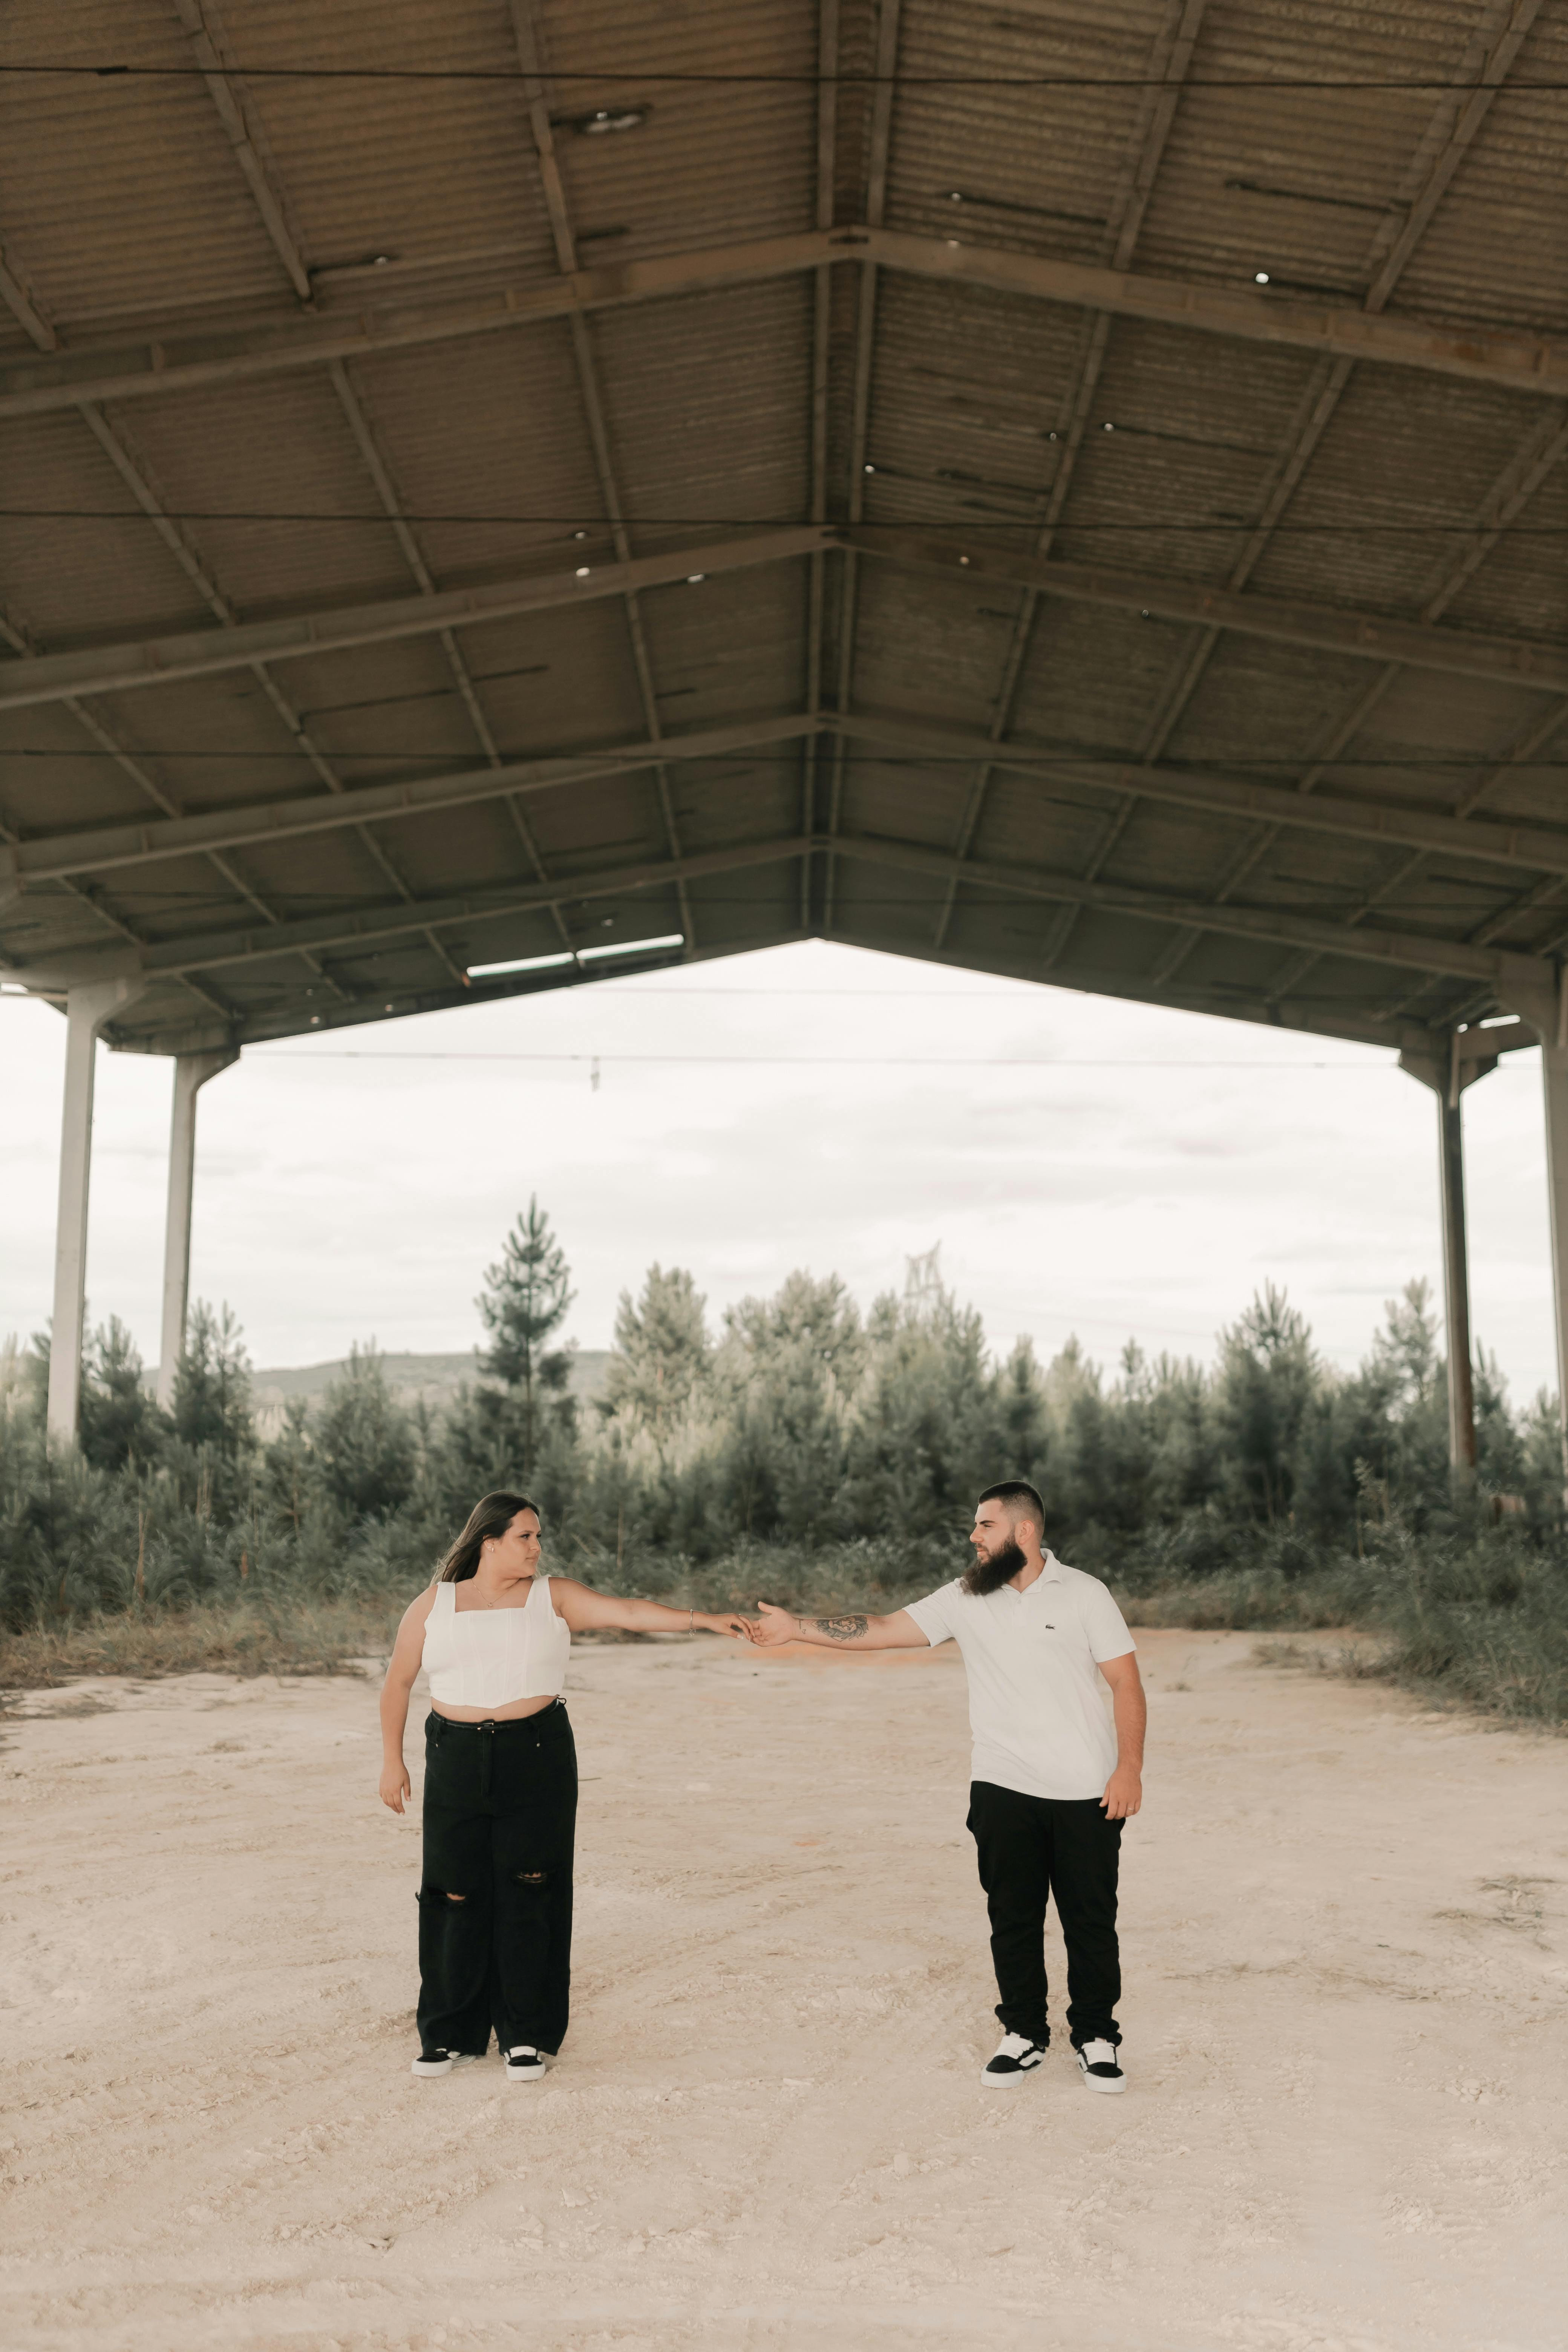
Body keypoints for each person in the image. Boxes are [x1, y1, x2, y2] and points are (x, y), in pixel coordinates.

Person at [752, 1480, 1144, 2094]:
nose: (973, 1538)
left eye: (985, 1526)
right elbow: (881, 1628)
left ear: (1025, 1532)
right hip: (1002, 1784)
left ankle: (1096, 2037)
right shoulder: (966, 1596)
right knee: (1011, 1916)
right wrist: (797, 1628)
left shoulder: (1086, 1594)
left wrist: (1129, 1770)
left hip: (1085, 1789)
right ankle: (1024, 2034)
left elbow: (1127, 1683)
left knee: (1090, 1921)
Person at [379, 1490, 753, 2082]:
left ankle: (526, 2035)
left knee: (533, 1888)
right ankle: (450, 2033)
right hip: (453, 1757)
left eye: (538, 1536)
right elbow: (398, 1682)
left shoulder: (553, 1597)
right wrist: (391, 1762)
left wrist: (704, 1620)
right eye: (526, 1536)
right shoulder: (434, 1604)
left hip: (536, 1753)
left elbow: (629, 1612)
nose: (537, 1547)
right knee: (452, 1891)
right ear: (490, 1541)